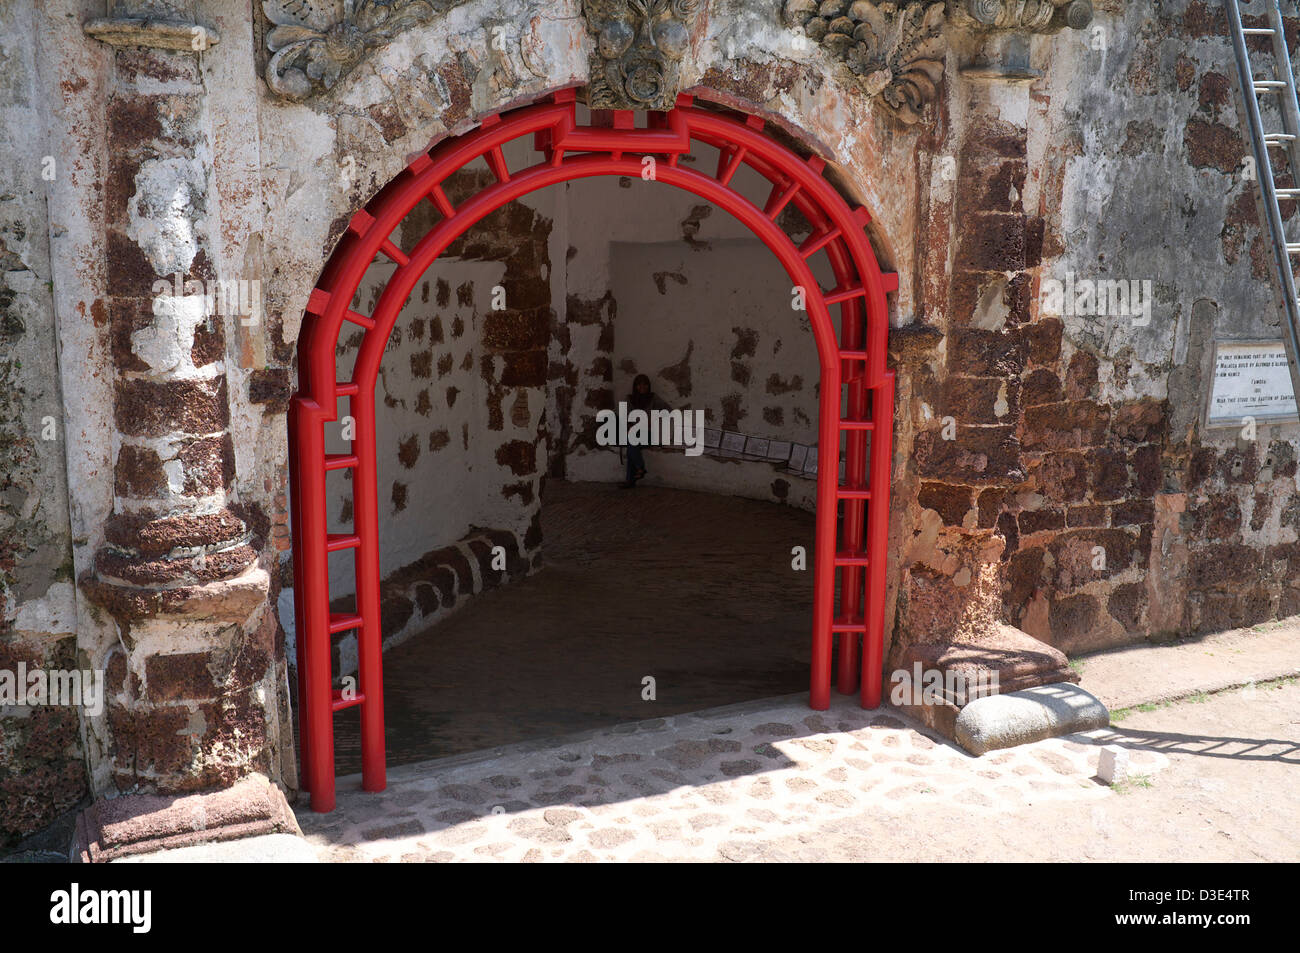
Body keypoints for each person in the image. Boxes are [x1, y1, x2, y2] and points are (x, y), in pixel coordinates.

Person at [621, 373, 669, 489]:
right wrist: (629, 427)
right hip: (634, 432)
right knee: (632, 445)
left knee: (631, 446)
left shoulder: (653, 398)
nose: (642, 387)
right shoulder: (630, 399)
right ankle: (637, 472)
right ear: (635, 386)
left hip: (649, 433)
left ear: (648, 385)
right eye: (639, 384)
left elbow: (668, 410)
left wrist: (653, 418)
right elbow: (624, 417)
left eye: (645, 384)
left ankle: (636, 474)